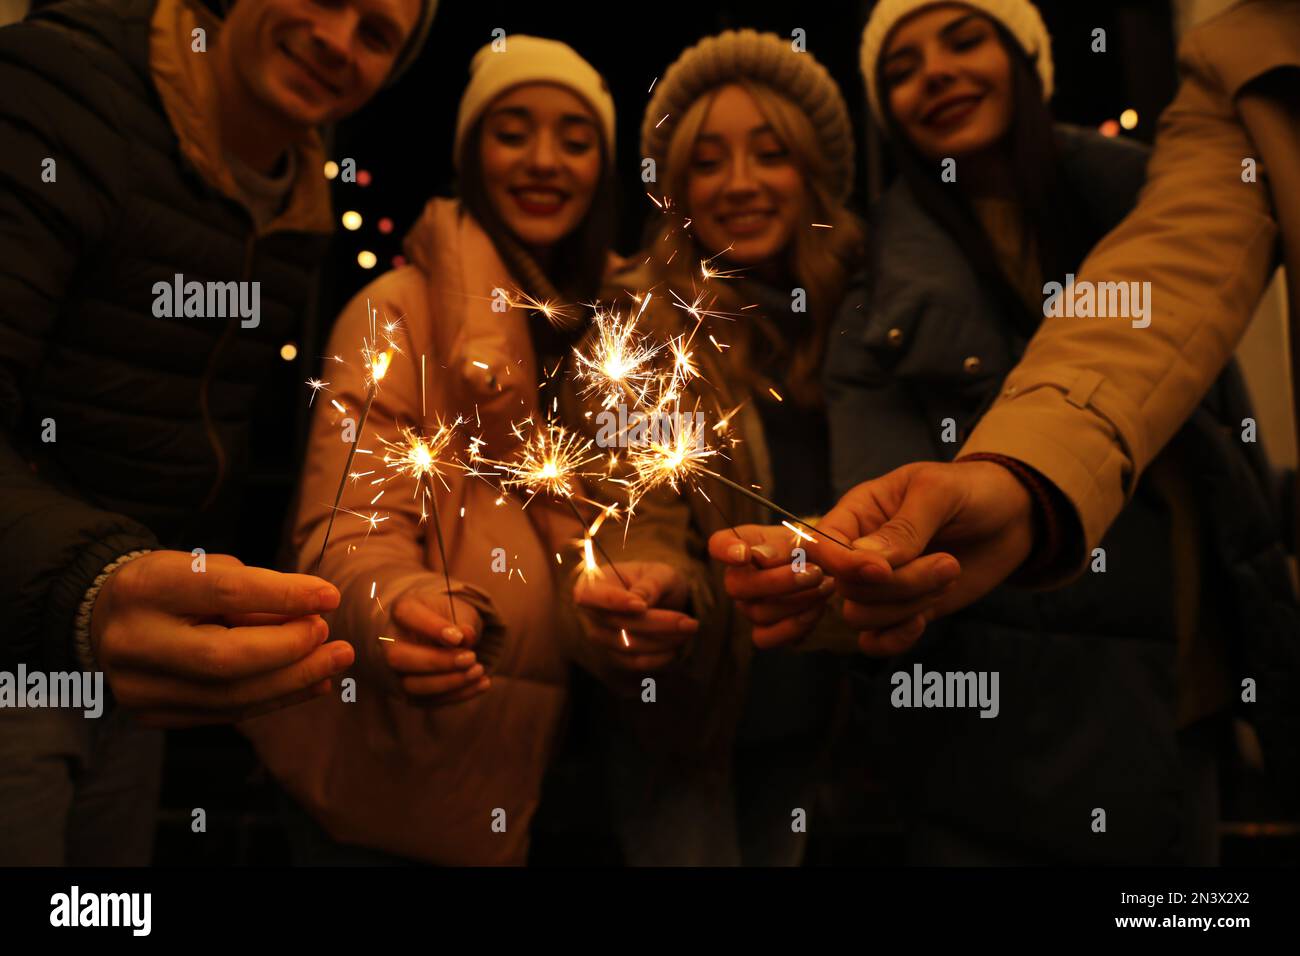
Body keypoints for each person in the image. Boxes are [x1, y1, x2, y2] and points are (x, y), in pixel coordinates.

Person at [0, 0, 435, 864]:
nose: (337, 40)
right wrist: (91, 588)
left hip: (140, 653)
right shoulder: (58, 91)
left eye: (379, 33)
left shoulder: (297, 194)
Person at [241, 35, 619, 865]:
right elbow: (348, 527)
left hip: (586, 774)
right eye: (512, 131)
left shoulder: (618, 333)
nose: (545, 161)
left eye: (576, 137)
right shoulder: (394, 315)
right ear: (471, 154)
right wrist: (397, 605)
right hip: (401, 776)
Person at [568, 29, 865, 865]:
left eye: (769, 153)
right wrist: (657, 581)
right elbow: (638, 502)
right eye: (707, 161)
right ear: (677, 191)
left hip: (820, 719)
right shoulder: (640, 323)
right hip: (685, 724)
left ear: (813, 170)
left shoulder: (865, 317)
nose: (739, 184)